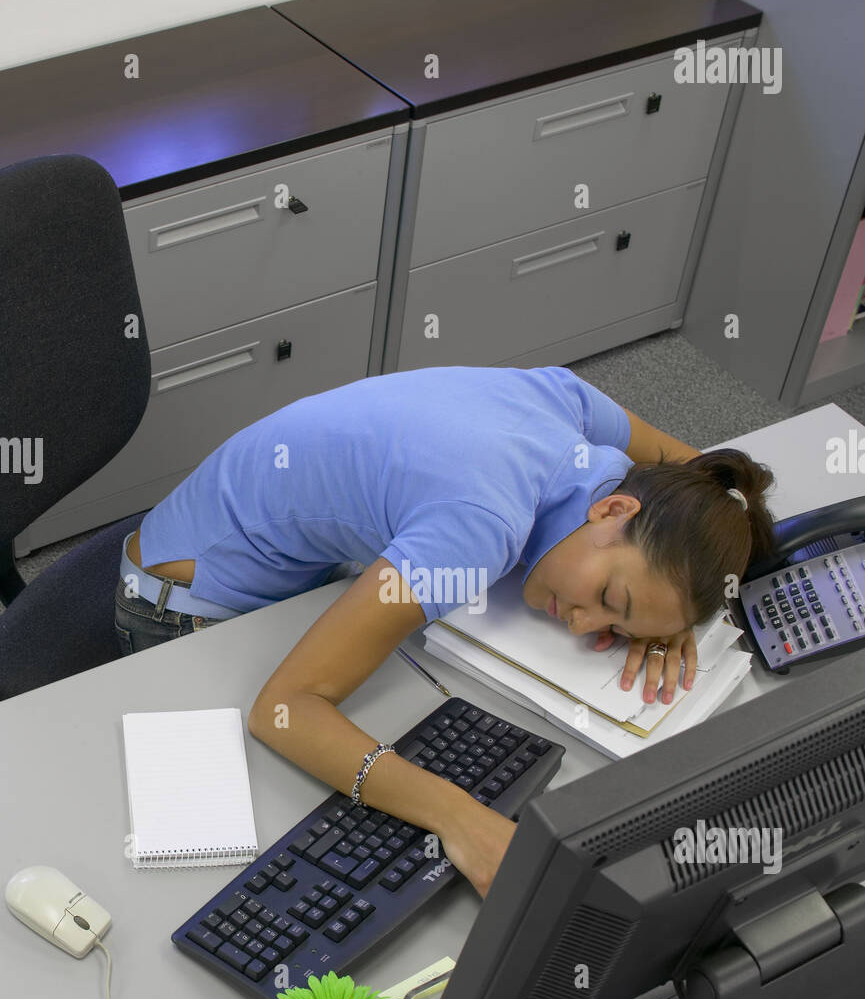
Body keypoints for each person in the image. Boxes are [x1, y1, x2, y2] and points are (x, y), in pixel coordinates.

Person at [114, 364, 776, 897]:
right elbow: (282, 709)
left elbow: (703, 478)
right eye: (607, 597)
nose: (584, 625)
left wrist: (678, 608)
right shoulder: (474, 528)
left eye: (617, 625)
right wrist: (461, 818)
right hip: (181, 606)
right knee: (282, 829)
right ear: (611, 507)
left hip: (289, 560)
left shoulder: (564, 406)